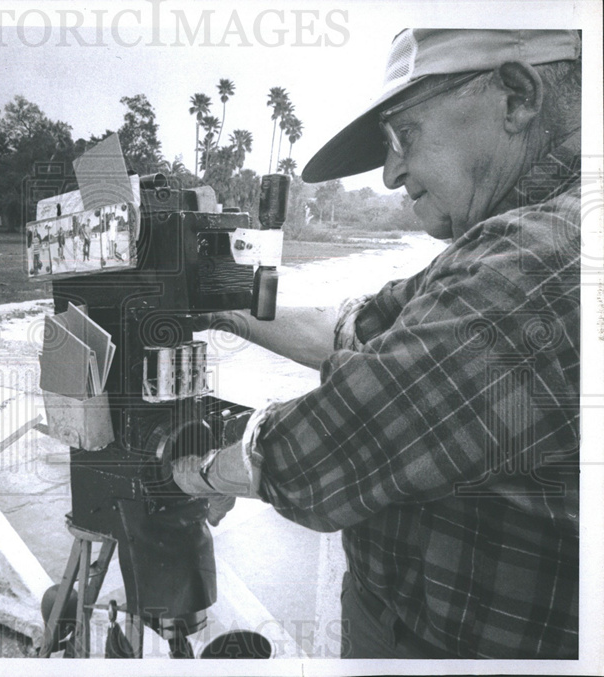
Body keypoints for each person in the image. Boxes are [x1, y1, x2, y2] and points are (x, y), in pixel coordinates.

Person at [174, 29, 581, 659]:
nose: (391, 174)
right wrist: (222, 306)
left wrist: (200, 471)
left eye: (403, 135)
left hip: (451, 648)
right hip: (399, 614)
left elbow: (319, 453)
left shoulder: (543, 260)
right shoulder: (511, 237)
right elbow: (364, 327)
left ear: (516, 97)